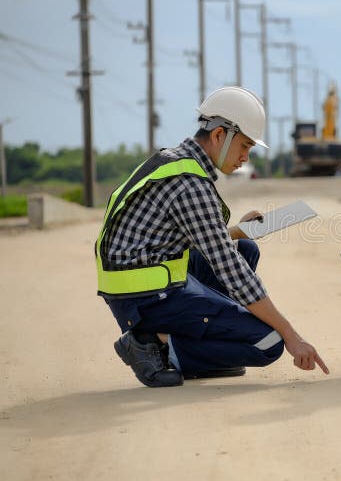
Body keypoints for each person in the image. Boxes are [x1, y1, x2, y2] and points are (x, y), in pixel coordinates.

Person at [96, 86, 328, 387]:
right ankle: (153, 342)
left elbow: (170, 235)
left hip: (145, 279)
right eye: (244, 146)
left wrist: (233, 232)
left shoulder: (174, 161)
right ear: (219, 135)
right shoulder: (190, 184)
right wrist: (292, 336)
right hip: (145, 296)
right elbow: (231, 271)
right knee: (268, 342)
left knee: (246, 247)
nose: (245, 157)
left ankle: (194, 348)